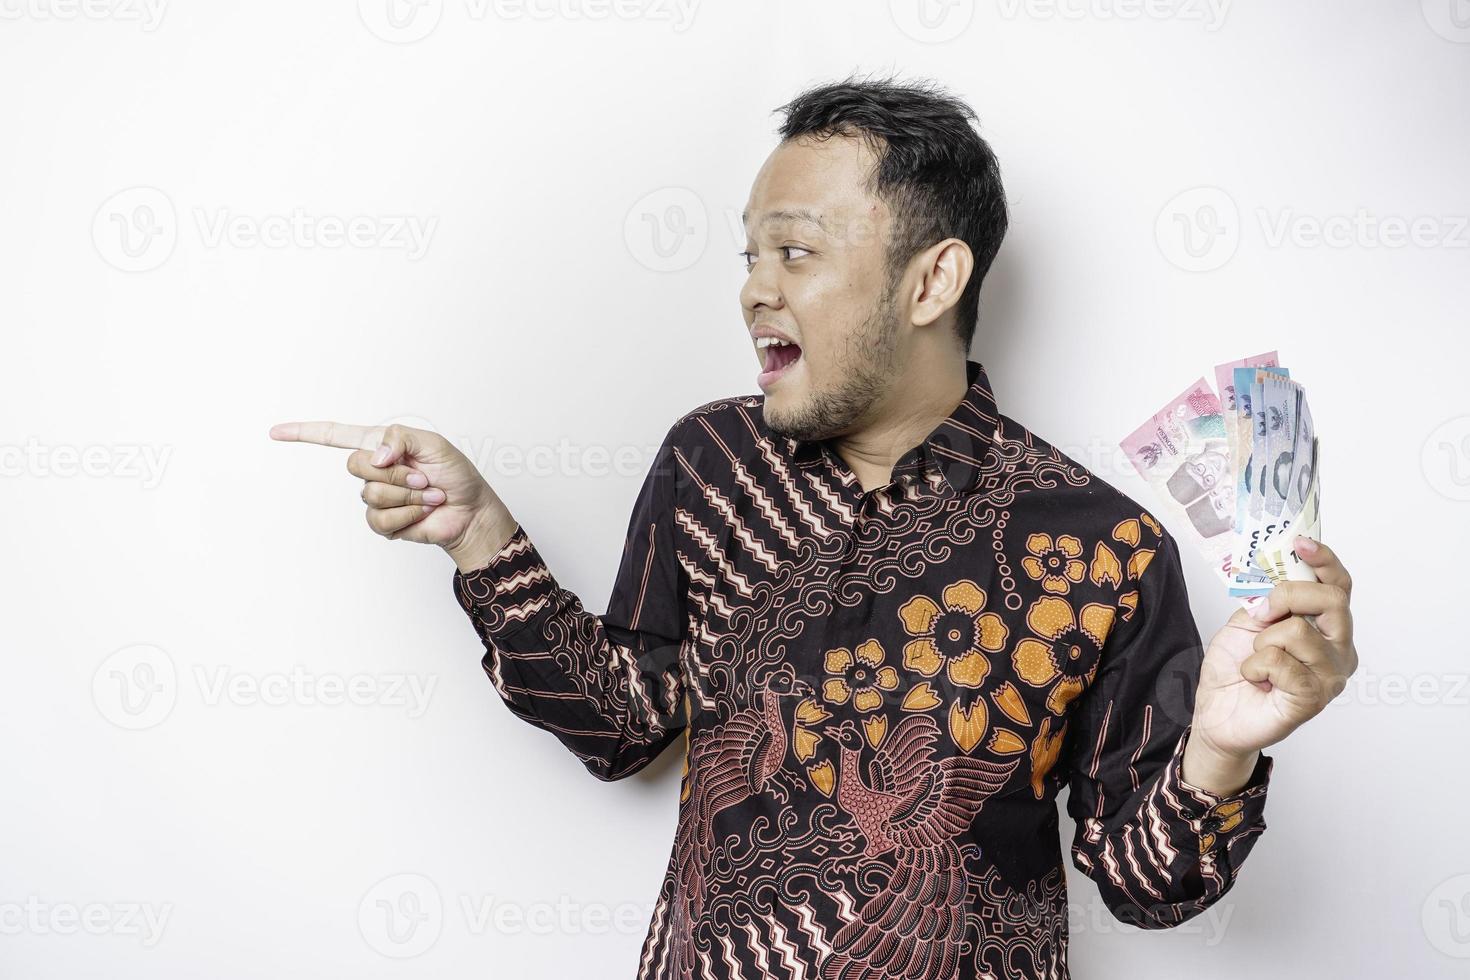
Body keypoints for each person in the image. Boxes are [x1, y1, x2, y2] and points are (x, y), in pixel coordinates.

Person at [271, 74, 1358, 980]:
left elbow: (1145, 885)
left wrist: (1217, 748)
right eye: (749, 256)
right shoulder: (710, 462)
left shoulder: (1105, 547)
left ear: (933, 278)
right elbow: (623, 725)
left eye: (794, 252)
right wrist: (481, 536)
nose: (755, 291)